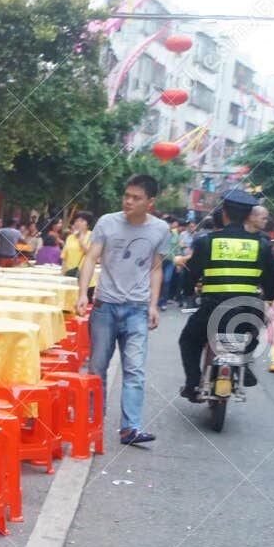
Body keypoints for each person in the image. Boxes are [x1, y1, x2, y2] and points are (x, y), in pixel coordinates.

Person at [78, 173, 170, 446]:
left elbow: (156, 268)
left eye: (136, 198)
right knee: (97, 367)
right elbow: (91, 257)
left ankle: (130, 428)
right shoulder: (107, 222)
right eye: (126, 195)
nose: (128, 201)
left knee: (135, 370)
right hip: (105, 306)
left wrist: (153, 305)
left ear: (150, 202)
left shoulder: (160, 229)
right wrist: (83, 293)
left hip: (137, 309)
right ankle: (95, 421)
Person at [177, 187, 274, 400]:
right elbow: (273, 279)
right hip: (247, 312)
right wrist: (269, 297)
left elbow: (191, 273)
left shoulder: (207, 241)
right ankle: (243, 363)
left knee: (188, 340)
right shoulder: (261, 244)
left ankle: (193, 383)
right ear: (248, 215)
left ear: (224, 212)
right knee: (251, 333)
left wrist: (187, 292)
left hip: (211, 309)